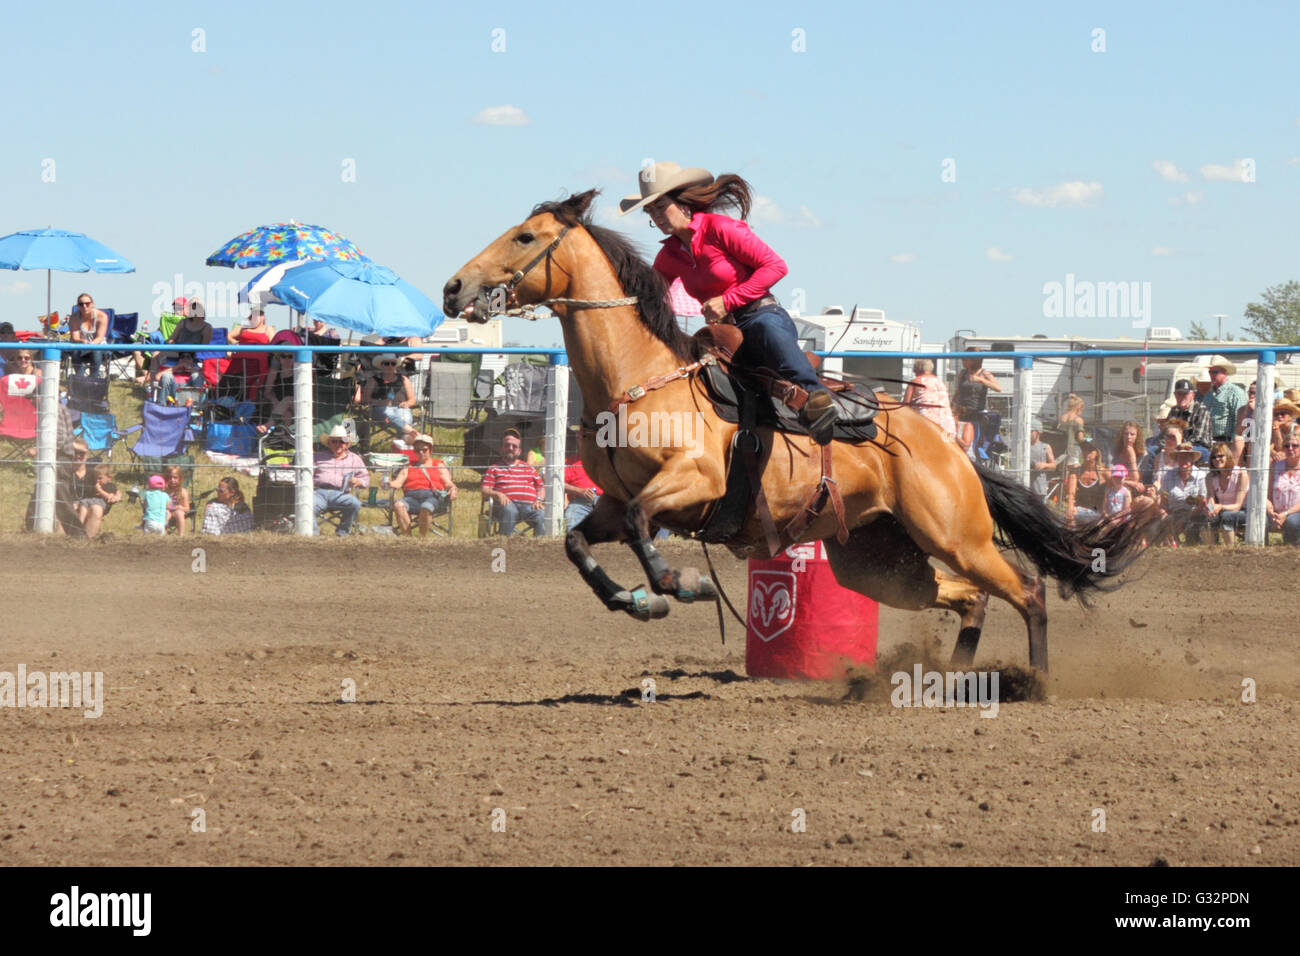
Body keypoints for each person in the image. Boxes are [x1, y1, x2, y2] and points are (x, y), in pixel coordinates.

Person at [620, 162, 838, 444]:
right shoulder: (669, 255)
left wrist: (727, 300)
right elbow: (650, 295)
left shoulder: (721, 228)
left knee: (768, 331)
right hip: (720, 333)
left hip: (761, 315)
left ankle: (814, 401)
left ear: (684, 203)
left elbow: (775, 266)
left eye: (661, 206)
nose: (656, 216)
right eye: (650, 211)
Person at [482, 428, 544, 536]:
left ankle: (539, 548)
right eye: (507, 445)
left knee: (541, 513)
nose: (510, 448)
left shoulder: (529, 468)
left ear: (519, 451)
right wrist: (497, 494)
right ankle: (504, 546)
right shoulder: (494, 468)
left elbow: (541, 487)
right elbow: (484, 490)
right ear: (501, 448)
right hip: (504, 506)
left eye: (514, 446)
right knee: (510, 510)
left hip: (529, 507)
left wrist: (538, 500)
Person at [390, 434, 455, 536]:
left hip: (432, 497)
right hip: (411, 498)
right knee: (398, 505)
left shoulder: (438, 465)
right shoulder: (409, 466)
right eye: (417, 450)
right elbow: (398, 482)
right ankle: (408, 539)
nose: (420, 452)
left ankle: (422, 539)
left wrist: (452, 488)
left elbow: (447, 482)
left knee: (426, 507)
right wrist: (388, 483)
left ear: (431, 450)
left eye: (424, 450)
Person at [313, 425, 369, 536]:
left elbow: (366, 479)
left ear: (347, 444)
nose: (338, 444)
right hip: (318, 492)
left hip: (341, 494)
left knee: (355, 504)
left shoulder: (355, 459)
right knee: (306, 505)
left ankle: (342, 533)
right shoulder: (317, 457)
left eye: (342, 441)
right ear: (329, 443)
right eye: (334, 441)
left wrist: (358, 481)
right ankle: (313, 535)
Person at [953, 349, 1002, 455]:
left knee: (972, 444)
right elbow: (958, 391)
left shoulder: (984, 373)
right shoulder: (962, 373)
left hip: (977, 414)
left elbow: (998, 388)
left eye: (965, 359)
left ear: (973, 360)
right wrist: (952, 405)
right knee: (958, 441)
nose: (963, 361)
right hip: (962, 412)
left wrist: (981, 380)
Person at [149, 299, 213, 380]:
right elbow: (171, 340)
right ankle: (153, 384)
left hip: (194, 354)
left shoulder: (207, 327)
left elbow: (204, 348)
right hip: (177, 351)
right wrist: (174, 346)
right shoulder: (183, 322)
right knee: (156, 354)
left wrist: (190, 353)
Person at [1160, 442, 1208, 545]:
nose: (1184, 460)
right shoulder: (1168, 476)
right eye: (1180, 457)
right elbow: (1163, 501)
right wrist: (1163, 514)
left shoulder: (1201, 476)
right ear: (1176, 460)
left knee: (1193, 527)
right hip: (1173, 513)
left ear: (1192, 460)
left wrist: (1185, 518)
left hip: (1194, 514)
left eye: (1187, 457)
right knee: (1162, 520)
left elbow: (1203, 503)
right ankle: (1172, 542)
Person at [222, 306, 274, 401]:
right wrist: (235, 343)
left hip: (258, 363)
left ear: (263, 317)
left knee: (252, 387)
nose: (257, 316)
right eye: (254, 314)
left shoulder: (268, 329)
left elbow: (274, 344)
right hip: (239, 362)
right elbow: (228, 336)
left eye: (259, 314)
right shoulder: (244, 327)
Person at [70, 448, 121, 539]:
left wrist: (100, 490)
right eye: (96, 478)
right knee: (81, 507)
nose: (97, 480)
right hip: (85, 501)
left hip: (96, 502)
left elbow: (110, 496)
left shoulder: (109, 485)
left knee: (94, 508)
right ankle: (78, 529)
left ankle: (88, 537)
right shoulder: (91, 478)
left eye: (100, 478)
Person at [1204, 443, 1248, 546]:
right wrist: (1210, 510)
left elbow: (1238, 505)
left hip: (1243, 511)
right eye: (1214, 457)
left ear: (1228, 456)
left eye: (1220, 456)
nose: (1217, 459)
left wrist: (1220, 507)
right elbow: (1210, 497)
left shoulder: (1241, 474)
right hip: (1221, 510)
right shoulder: (1210, 477)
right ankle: (1210, 550)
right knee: (1207, 518)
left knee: (1226, 516)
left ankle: (1230, 550)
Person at [361, 352, 416, 431]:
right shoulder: (373, 380)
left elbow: (412, 400)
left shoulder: (404, 380)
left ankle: (406, 437)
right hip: (380, 409)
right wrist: (379, 402)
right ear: (381, 365)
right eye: (387, 363)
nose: (390, 366)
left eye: (393, 363)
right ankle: (412, 432)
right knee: (389, 413)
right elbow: (364, 399)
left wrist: (407, 403)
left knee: (406, 418)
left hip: (400, 408)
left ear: (396, 366)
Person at [902, 358, 957, 437]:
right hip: (947, 425)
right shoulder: (940, 382)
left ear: (917, 369)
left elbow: (905, 405)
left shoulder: (916, 381)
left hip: (927, 424)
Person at [563, 426, 602, 530]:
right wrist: (579, 491)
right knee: (572, 521)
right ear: (578, 440)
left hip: (603, 500)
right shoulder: (569, 462)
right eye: (582, 438)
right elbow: (559, 484)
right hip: (579, 501)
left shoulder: (604, 460)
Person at [1202, 356, 1247, 447]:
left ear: (1225, 372)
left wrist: (1234, 444)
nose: (1212, 375)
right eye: (1210, 372)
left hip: (1226, 441)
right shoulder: (1208, 394)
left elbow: (1239, 420)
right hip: (1208, 441)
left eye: (1215, 372)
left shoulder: (1235, 392)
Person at [1157, 378, 1212, 451]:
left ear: (1192, 395)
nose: (1181, 397)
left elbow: (1198, 438)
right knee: (1152, 450)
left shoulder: (1201, 410)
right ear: (1175, 395)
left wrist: (1180, 446)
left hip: (1197, 447)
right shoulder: (1174, 411)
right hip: (1176, 446)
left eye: (1185, 394)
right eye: (1179, 394)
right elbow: (1164, 434)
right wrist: (1164, 446)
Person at [1267, 435, 1300, 544]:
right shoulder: (1275, 466)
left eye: (1295, 446)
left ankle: (1290, 550)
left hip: (1296, 512)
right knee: (1261, 519)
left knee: (1292, 522)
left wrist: (1285, 514)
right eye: (1287, 446)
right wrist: (1272, 512)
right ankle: (1260, 551)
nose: (1290, 448)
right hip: (1276, 513)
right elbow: (1267, 494)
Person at [68, 292, 110, 376]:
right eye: (81, 304)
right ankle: (80, 380)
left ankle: (93, 380)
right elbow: (75, 338)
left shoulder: (102, 317)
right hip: (81, 345)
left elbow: (99, 338)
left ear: (92, 304)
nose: (84, 306)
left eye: (87, 303)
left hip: (98, 345)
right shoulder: (74, 318)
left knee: (96, 351)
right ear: (78, 306)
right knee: (75, 351)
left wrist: (91, 345)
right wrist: (82, 341)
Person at [1064, 445, 1105, 527]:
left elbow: (1118, 481)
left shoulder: (1103, 472)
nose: (1086, 452)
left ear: (1096, 453)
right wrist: (1070, 508)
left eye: (1090, 450)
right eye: (1084, 450)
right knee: (1065, 520)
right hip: (1079, 510)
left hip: (1096, 512)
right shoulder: (1075, 472)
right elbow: (1071, 493)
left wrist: (1133, 483)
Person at [1028, 418, 1055, 498]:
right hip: (1023, 486)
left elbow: (1054, 465)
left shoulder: (1045, 447)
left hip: (1038, 487)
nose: (1028, 433)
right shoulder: (1023, 446)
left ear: (1038, 432)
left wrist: (1044, 465)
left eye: (1031, 431)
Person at [162, 465, 190, 537]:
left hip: (178, 511)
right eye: (170, 478)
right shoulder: (164, 491)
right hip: (167, 510)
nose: (172, 480)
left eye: (175, 478)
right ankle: (163, 534)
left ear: (180, 479)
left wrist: (180, 507)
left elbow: (187, 508)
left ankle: (181, 535)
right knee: (165, 514)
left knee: (180, 513)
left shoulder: (183, 491)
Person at [1234, 382, 1257, 468]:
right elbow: (1239, 431)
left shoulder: (1269, 409)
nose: (1251, 396)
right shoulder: (1242, 409)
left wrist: (1255, 411)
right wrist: (1246, 410)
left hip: (1259, 439)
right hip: (1246, 439)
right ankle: (1235, 473)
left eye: (1254, 393)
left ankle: (1249, 474)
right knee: (1238, 440)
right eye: (1250, 392)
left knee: (1252, 441)